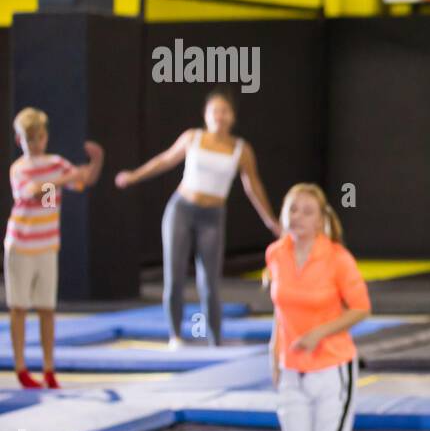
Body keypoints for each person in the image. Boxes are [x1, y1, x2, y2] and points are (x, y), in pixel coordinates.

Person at [115, 87, 279, 347]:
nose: (220, 116)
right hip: (182, 209)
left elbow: (253, 187)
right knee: (175, 274)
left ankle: (213, 338)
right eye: (215, 111)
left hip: (212, 216)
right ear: (206, 115)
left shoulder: (240, 149)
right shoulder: (193, 138)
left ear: (232, 117)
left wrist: (270, 221)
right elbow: (164, 160)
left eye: (224, 111)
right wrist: (134, 176)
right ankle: (175, 336)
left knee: (210, 281)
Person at [265, 183, 370, 431]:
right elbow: (280, 310)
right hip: (291, 369)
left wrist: (318, 333)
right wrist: (274, 353)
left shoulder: (338, 258)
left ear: (320, 220)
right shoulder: (275, 254)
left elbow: (361, 308)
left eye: (307, 212)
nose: (297, 217)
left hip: (332, 370)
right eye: (293, 209)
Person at [6, 107, 103, 388]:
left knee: (47, 308)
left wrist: (96, 161)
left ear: (46, 137)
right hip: (21, 245)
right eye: (29, 139)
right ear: (19, 141)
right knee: (19, 308)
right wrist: (66, 178)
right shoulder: (19, 169)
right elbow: (35, 191)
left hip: (47, 244)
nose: (35, 144)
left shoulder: (57, 163)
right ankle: (21, 368)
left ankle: (49, 369)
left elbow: (84, 180)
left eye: (39, 137)